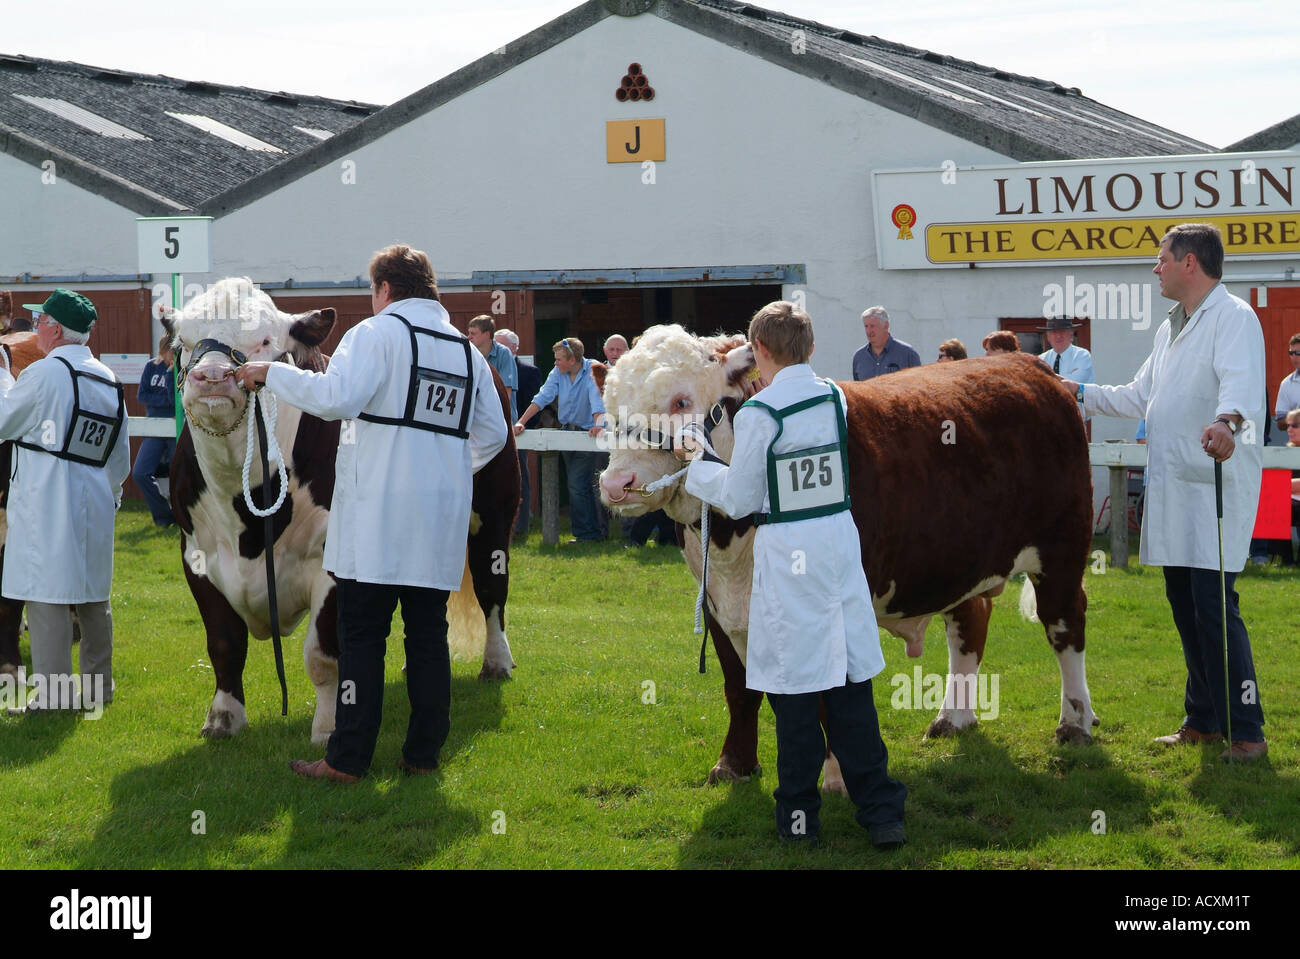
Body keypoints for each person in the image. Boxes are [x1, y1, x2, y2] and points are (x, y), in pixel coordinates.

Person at [235, 245, 508, 781]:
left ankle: (348, 759)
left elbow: (337, 398)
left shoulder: (373, 334)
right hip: (436, 519)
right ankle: (423, 756)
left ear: (383, 290)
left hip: (377, 516)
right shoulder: (466, 351)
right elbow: (495, 434)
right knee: (427, 636)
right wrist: (446, 470)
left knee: (362, 637)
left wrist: (270, 373)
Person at [678, 300, 907, 847]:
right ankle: (881, 814)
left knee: (794, 690)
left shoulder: (761, 413)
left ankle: (798, 820)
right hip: (836, 543)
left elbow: (740, 496)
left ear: (759, 351)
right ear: (808, 347)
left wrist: (698, 463)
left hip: (789, 553)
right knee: (851, 683)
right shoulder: (834, 396)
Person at [1062, 223, 1267, 762]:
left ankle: (1246, 731)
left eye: (1161, 259)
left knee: (1215, 607)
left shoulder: (1233, 318)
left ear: (1190, 264)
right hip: (1177, 488)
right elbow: (1136, 397)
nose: (1155, 268)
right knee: (1185, 603)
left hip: (1212, 486)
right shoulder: (1170, 327)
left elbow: (1241, 386)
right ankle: (1202, 720)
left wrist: (1226, 422)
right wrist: (1072, 392)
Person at [0, 289, 128, 712]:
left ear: (55, 329)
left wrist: (3, 374)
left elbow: (3, 421)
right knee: (93, 596)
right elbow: (119, 455)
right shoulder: (109, 379)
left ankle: (53, 697)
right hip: (95, 495)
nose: (35, 327)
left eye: (40, 321)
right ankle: (97, 689)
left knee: (46, 595)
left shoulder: (41, 374)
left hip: (48, 497)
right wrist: (110, 496)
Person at [512, 338, 606, 543]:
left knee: (575, 483)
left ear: (572, 360)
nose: (555, 363)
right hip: (567, 432)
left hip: (587, 434)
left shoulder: (592, 369)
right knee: (580, 485)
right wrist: (521, 422)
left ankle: (586, 534)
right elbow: (542, 397)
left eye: (559, 359)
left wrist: (599, 423)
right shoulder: (558, 373)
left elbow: (597, 399)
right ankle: (592, 533)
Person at [496, 328, 540, 540]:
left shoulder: (529, 371)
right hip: (498, 431)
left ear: (514, 347)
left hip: (518, 431)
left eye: (502, 345)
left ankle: (522, 525)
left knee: (520, 477)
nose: (498, 349)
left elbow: (530, 402)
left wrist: (520, 424)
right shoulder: (490, 365)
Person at [133, 335, 176, 526]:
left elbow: (178, 402)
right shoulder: (151, 366)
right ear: (162, 350)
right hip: (154, 426)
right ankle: (163, 516)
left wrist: (170, 373)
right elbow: (142, 395)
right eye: (170, 352)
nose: (172, 356)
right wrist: (165, 402)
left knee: (179, 472)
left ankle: (183, 515)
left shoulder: (179, 369)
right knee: (140, 472)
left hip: (176, 428)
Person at [1039, 316, 1094, 420]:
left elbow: (1074, 383)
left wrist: (1047, 380)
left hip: (1077, 420)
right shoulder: (1041, 360)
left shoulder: (1082, 355)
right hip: (1049, 419)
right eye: (1054, 332)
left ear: (1071, 335)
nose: (1058, 336)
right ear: (1048, 337)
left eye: (1062, 331)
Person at [467, 314, 517, 424]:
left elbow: (505, 394)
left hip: (503, 421)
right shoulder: (469, 353)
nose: (468, 337)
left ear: (487, 334)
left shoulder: (504, 353)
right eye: (469, 333)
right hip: (480, 421)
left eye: (473, 333)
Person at [851, 306, 920, 380]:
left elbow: (918, 386)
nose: (868, 331)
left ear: (886, 326)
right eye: (866, 326)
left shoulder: (907, 354)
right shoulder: (859, 357)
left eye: (872, 326)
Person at [1272, 332, 1300, 432]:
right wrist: (1296, 418)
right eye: (1291, 353)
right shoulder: (1287, 384)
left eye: (1298, 353)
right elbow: (1280, 423)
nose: (1294, 357)